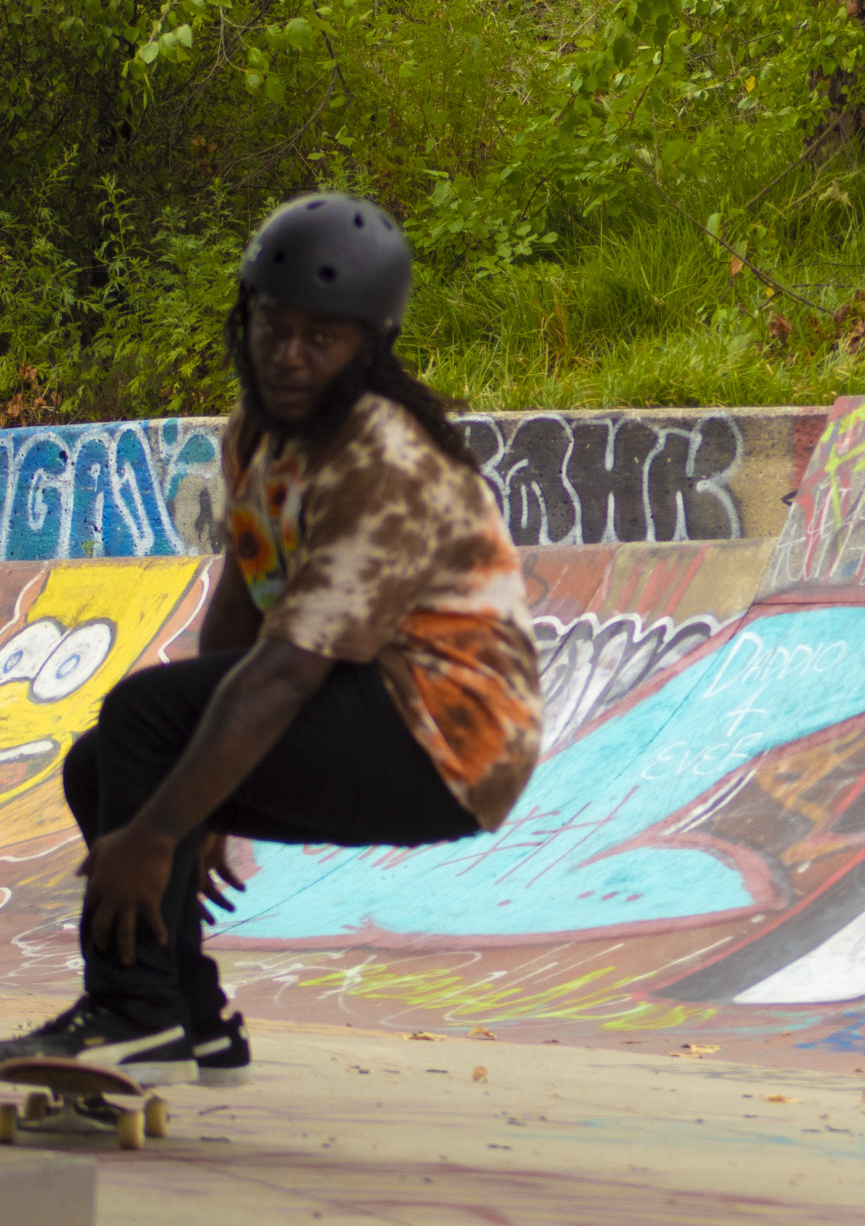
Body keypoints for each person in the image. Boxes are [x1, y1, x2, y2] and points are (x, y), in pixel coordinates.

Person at [0, 194, 544, 1083]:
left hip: (449, 740)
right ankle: (186, 1014)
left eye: (320, 338)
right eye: (270, 327)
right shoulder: (259, 436)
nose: (288, 357)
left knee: (141, 722)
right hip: (373, 708)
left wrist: (164, 826)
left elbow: (285, 671)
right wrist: (194, 789)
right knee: (100, 765)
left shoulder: (385, 458)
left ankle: (130, 1014)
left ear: (369, 347)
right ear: (243, 320)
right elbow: (240, 610)